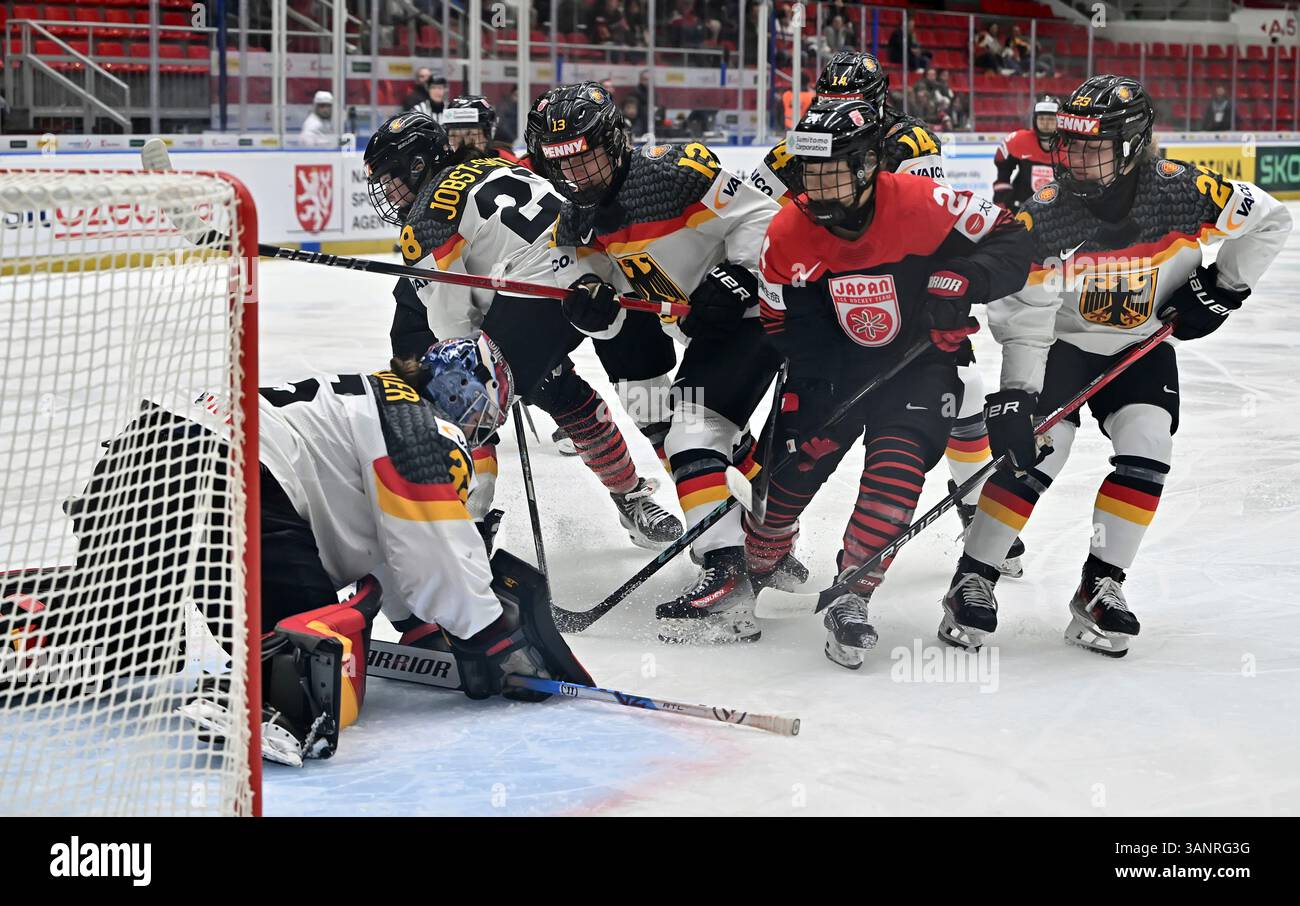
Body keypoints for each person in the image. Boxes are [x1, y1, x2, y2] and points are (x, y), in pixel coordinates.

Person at [3, 334, 593, 764]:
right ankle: (266, 700)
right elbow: (431, 545)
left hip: (137, 462)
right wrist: (493, 639)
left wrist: (423, 634)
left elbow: (398, 553)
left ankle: (29, 615)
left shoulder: (371, 400)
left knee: (133, 641)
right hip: (221, 480)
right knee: (315, 660)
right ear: (475, 401)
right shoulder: (421, 428)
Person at [940, 75, 1293, 657]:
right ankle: (973, 576)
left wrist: (1224, 288)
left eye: (1093, 146)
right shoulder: (1045, 217)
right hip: (1065, 347)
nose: (1077, 159)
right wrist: (1018, 393)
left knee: (1149, 445)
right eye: (1071, 145)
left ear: (1132, 145)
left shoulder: (1185, 191)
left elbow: (1272, 220)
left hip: (1141, 349)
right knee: (1042, 450)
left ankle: (1101, 584)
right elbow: (1027, 311)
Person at [754, 99, 1034, 669]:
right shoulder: (786, 232)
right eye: (809, 173)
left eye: (832, 170)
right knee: (790, 471)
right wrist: (814, 395)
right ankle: (760, 558)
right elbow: (783, 325)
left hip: (923, 365)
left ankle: (852, 592)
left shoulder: (925, 202)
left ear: (866, 165)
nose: (818, 188)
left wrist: (965, 278)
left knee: (897, 475)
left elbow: (1014, 239)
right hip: (831, 368)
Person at [528, 82, 793, 644]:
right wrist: (587, 299)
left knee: (692, 431)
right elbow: (577, 274)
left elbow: (763, 215)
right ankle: (746, 550)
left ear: (613, 142)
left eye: (585, 155)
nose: (575, 173)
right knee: (679, 432)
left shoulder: (675, 173)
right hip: (690, 330)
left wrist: (741, 274)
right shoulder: (575, 216)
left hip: (753, 318)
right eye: (560, 162)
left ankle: (736, 560)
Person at [363, 111, 683, 550]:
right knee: (609, 397)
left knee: (461, 393)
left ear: (418, 165)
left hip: (539, 290)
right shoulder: (499, 163)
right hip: (601, 269)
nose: (388, 192)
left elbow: (453, 331)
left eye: (390, 178)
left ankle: (467, 529)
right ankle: (672, 489)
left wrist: (489, 361)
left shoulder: (424, 219)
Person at [992, 96, 1058, 211]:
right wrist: (1001, 202)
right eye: (1042, 119)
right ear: (1035, 120)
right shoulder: (1018, 140)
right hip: (1021, 207)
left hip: (1057, 210)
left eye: (1051, 119)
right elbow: (1003, 174)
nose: (1046, 124)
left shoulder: (1070, 145)